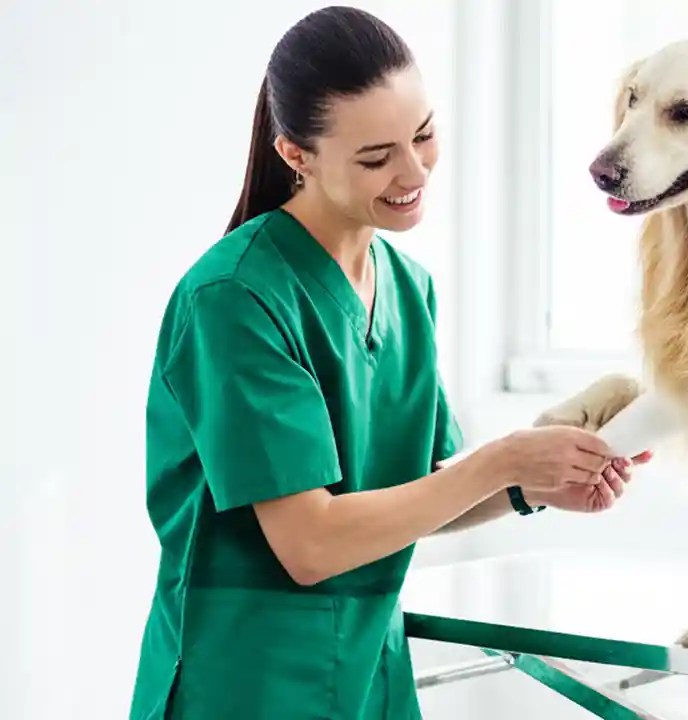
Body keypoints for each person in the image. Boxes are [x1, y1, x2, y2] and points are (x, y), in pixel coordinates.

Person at [128, 7, 650, 719]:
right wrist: (503, 464)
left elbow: (418, 497)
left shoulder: (407, 288)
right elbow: (310, 543)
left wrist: (541, 479)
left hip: (369, 677)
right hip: (246, 686)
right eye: (376, 157)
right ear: (295, 155)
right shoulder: (235, 299)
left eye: (424, 134)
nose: (413, 172)